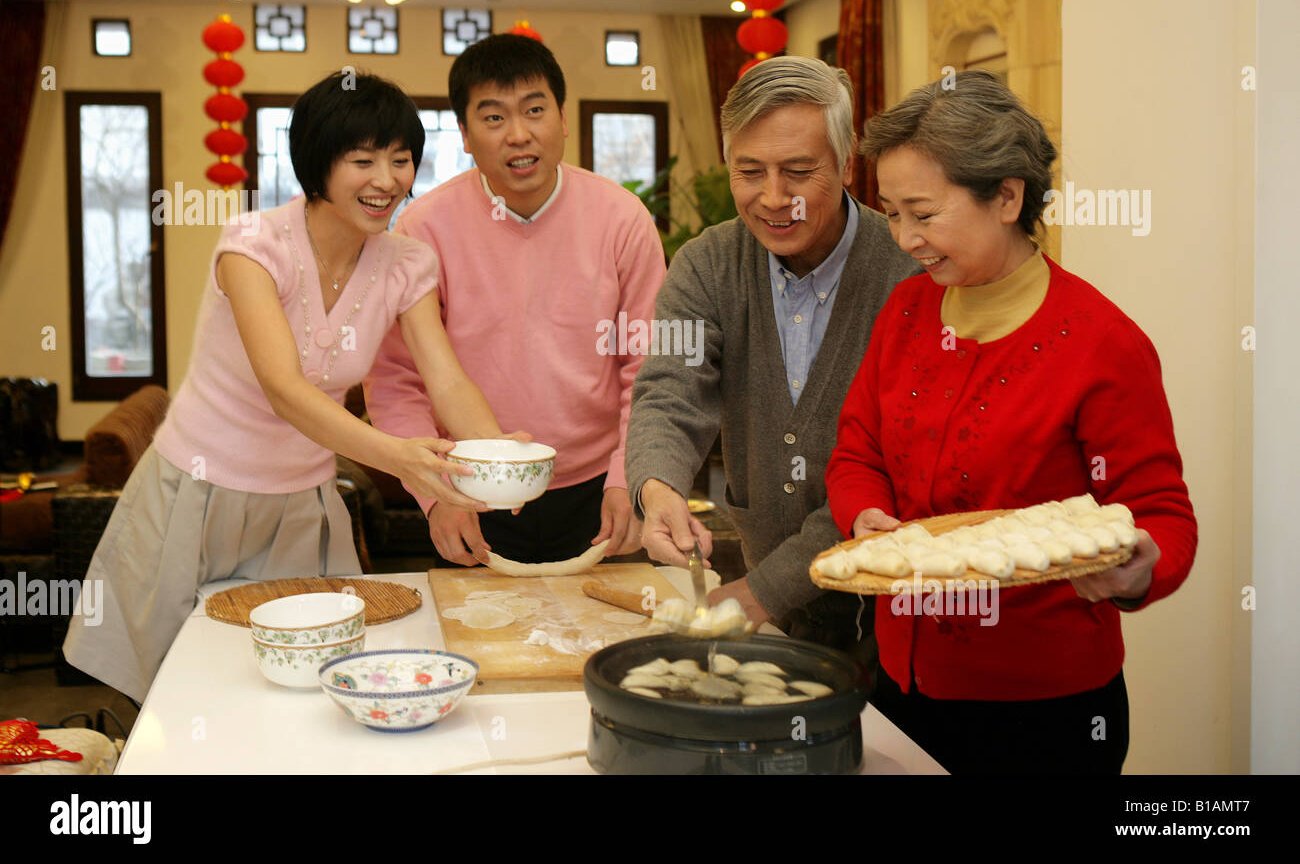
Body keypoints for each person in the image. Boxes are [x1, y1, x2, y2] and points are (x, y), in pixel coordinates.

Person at [64, 71, 520, 702]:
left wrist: (499, 455)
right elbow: (283, 387)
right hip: (195, 496)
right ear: (317, 163)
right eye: (363, 159)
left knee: (295, 691)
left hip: (300, 507)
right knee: (181, 694)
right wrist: (401, 459)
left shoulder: (407, 262)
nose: (386, 180)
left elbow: (445, 378)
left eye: (401, 160)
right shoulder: (254, 245)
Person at [825, 70, 1197, 774]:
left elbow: (1163, 514)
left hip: (1043, 716)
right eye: (891, 211)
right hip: (900, 685)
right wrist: (865, 514)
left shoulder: (1099, 342)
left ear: (1006, 196)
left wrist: (1139, 568)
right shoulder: (906, 313)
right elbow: (856, 453)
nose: (903, 237)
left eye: (923, 213)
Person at [625, 56, 920, 656]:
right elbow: (670, 390)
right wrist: (658, 490)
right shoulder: (708, 263)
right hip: (769, 604)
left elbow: (893, 465)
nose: (773, 197)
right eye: (749, 171)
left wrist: (760, 594)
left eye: (799, 171)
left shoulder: (907, 272)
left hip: (894, 608)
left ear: (847, 162)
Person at [365, 34, 666, 568]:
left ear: (563, 118)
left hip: (599, 490)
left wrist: (628, 477)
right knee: (479, 646)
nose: (520, 135)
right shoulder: (420, 230)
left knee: (606, 642)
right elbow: (395, 379)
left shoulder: (622, 220)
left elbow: (647, 369)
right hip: (468, 490)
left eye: (534, 110)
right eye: (494, 118)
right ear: (464, 133)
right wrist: (436, 494)